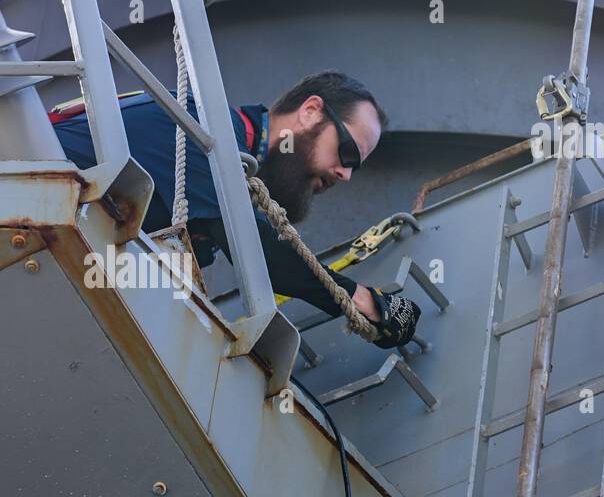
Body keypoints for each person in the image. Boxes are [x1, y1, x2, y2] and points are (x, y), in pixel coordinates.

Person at [52, 70, 422, 348]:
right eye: (347, 153)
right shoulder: (202, 128)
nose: (345, 174)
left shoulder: (218, 180)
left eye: (355, 167)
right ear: (310, 112)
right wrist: (364, 302)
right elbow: (261, 252)